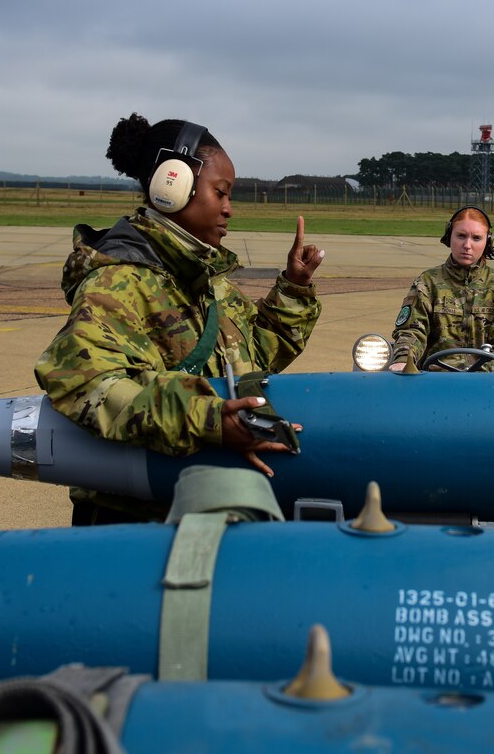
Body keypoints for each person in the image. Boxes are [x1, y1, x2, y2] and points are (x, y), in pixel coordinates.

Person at [35, 113, 324, 524]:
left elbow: (256, 360)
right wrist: (207, 419)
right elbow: (88, 384)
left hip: (198, 502)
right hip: (134, 518)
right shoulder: (119, 282)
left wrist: (294, 287)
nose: (229, 209)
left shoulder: (203, 280)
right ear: (172, 185)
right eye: (220, 193)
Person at [388, 205, 494, 372]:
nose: (467, 245)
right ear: (449, 236)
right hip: (435, 379)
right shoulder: (427, 282)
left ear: (488, 242)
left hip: (484, 380)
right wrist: (403, 360)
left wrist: (482, 373)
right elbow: (412, 331)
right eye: (461, 236)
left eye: (476, 238)